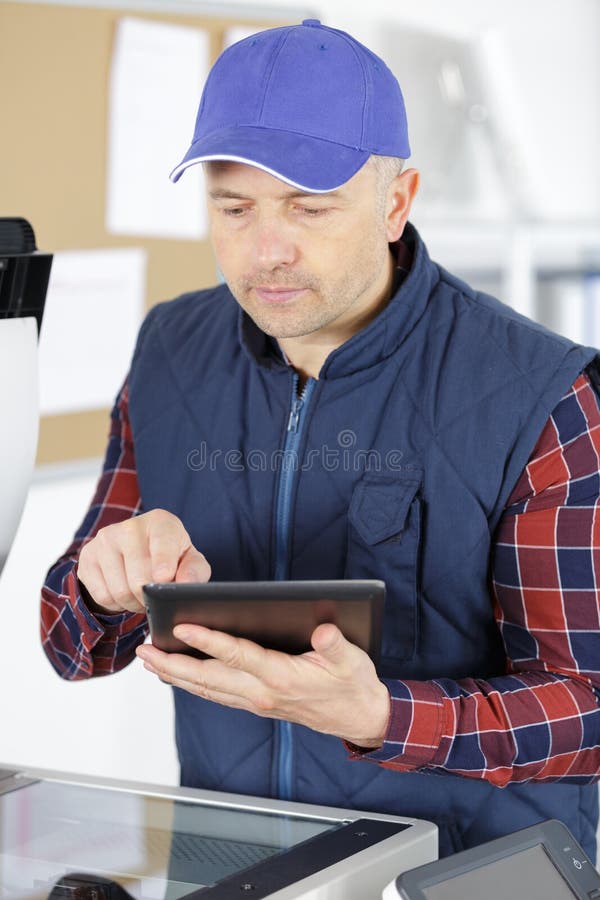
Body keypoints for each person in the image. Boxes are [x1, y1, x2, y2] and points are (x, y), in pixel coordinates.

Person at [41, 20, 600, 861]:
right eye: (234, 208)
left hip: (457, 873)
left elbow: (588, 706)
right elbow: (67, 642)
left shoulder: (543, 393)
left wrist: (382, 716)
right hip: (234, 864)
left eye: (310, 207)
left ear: (396, 203)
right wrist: (100, 587)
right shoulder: (169, 350)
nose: (267, 251)